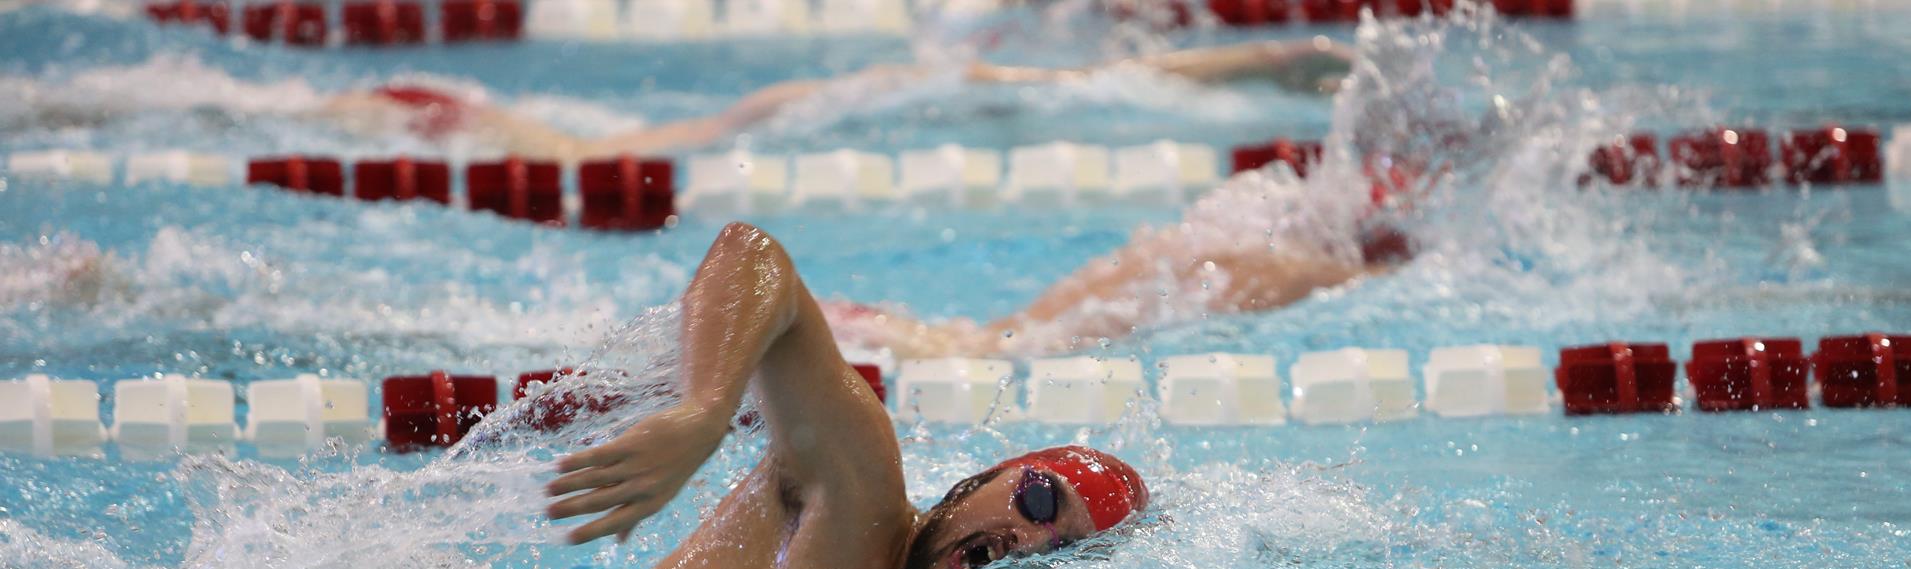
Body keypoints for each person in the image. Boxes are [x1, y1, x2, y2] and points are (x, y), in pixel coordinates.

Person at [536, 220, 1152, 569]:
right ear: (978, 479)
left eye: (1063, 549)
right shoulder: (864, 497)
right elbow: (751, 254)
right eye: (1040, 499)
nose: (1030, 540)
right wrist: (705, 410)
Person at [318, 37, 1357, 164]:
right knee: (592, 160)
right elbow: (1133, 80)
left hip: (825, 99)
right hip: (827, 102)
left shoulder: (991, 89)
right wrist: (1291, 62)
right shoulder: (991, 91)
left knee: (612, 151)